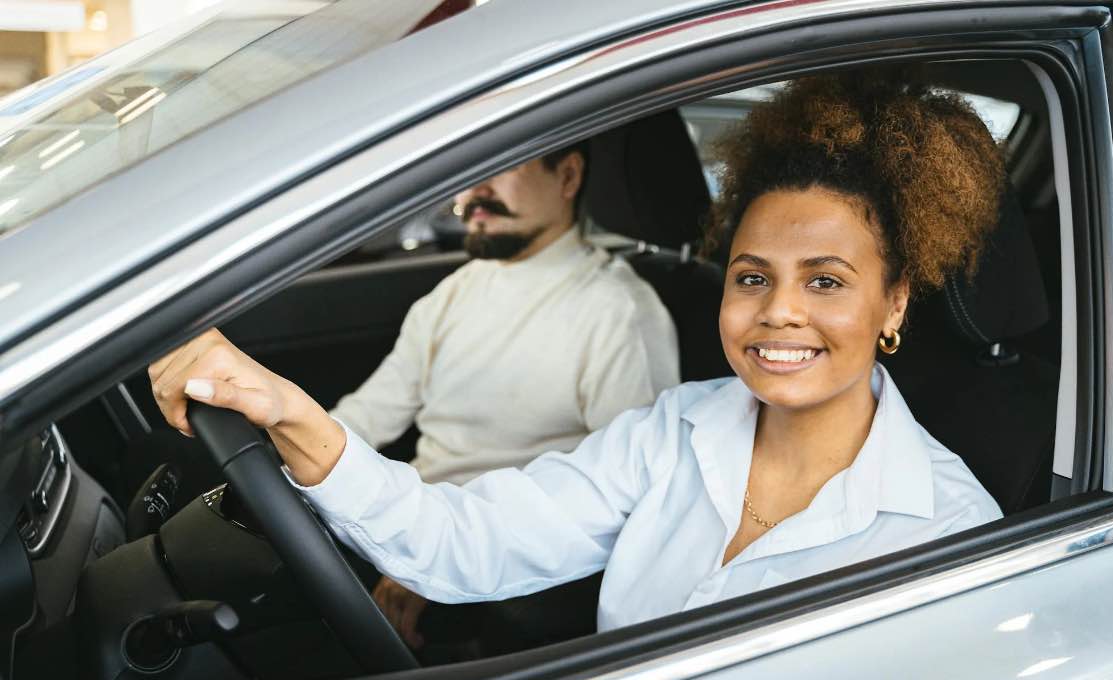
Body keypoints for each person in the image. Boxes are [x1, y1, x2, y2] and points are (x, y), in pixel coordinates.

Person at [148, 70, 1005, 636]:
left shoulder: (949, 530)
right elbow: (463, 542)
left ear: (893, 301)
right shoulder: (674, 433)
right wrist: (289, 412)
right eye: (751, 278)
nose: (778, 313)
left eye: (824, 282)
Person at [331, 143, 679, 644]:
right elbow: (370, 414)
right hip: (406, 526)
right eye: (469, 169)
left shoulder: (617, 311)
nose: (476, 191)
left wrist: (446, 565)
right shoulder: (457, 290)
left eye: (501, 164)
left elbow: (631, 495)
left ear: (568, 177)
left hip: (499, 564)